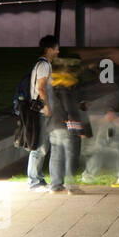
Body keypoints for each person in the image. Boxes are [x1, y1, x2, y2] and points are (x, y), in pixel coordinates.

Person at [47, 61, 91, 194]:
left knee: (56, 156)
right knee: (71, 157)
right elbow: (70, 111)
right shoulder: (65, 89)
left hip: (53, 125)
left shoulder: (51, 87)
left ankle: (55, 185)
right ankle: (71, 187)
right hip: (67, 127)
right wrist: (80, 130)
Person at [27, 35, 59, 191]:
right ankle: (33, 182)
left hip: (41, 110)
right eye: (56, 48)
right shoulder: (44, 65)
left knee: (43, 146)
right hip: (41, 111)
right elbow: (41, 88)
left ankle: (38, 179)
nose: (58, 51)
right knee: (39, 146)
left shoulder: (43, 64)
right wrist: (47, 107)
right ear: (49, 49)